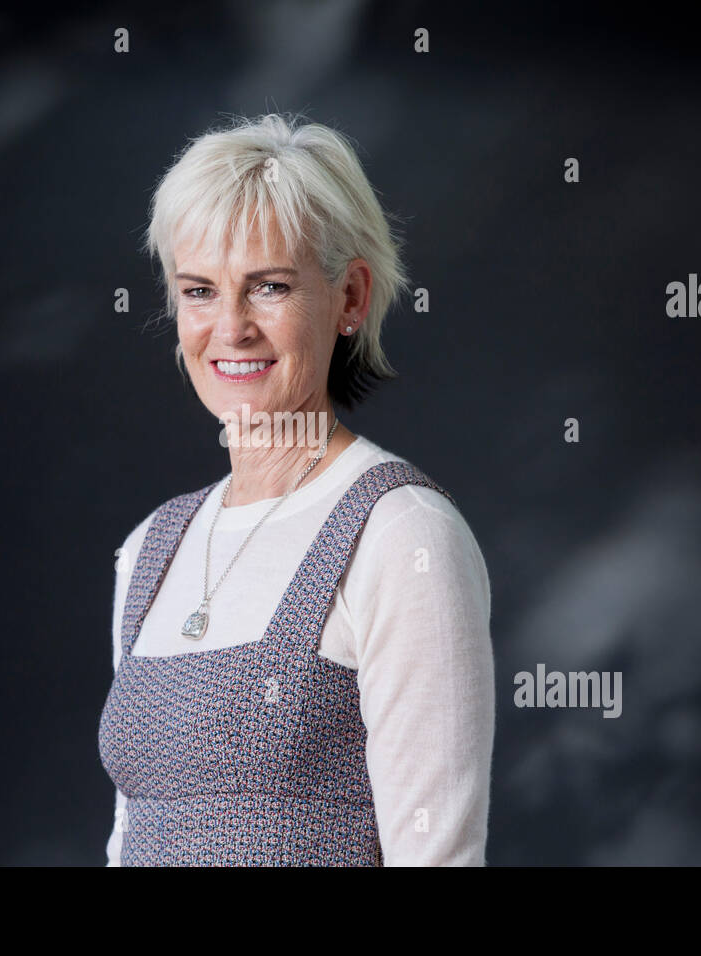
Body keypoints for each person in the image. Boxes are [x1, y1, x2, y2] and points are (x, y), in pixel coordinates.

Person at [97, 112, 494, 865]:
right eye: (200, 291)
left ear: (350, 297)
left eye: (268, 286)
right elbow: (126, 841)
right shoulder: (150, 548)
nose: (231, 327)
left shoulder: (403, 535)